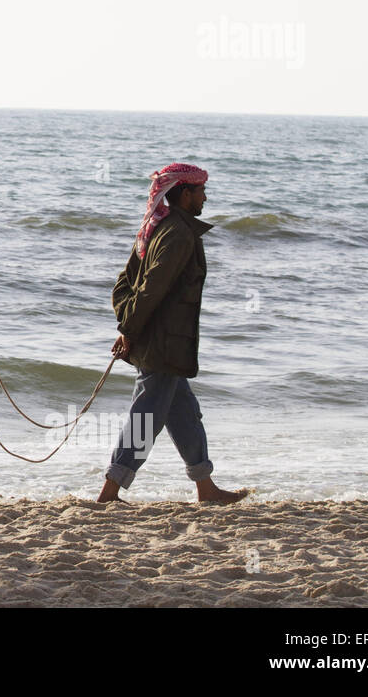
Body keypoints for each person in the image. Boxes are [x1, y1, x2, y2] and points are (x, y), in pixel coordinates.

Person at [97, 163, 247, 504]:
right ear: (184, 193)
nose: (205, 198)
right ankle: (110, 491)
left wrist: (129, 324)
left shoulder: (159, 228)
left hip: (169, 344)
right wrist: (128, 329)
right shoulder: (177, 234)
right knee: (145, 417)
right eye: (201, 191)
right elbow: (149, 288)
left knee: (184, 413)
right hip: (163, 345)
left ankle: (206, 489)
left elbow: (125, 282)